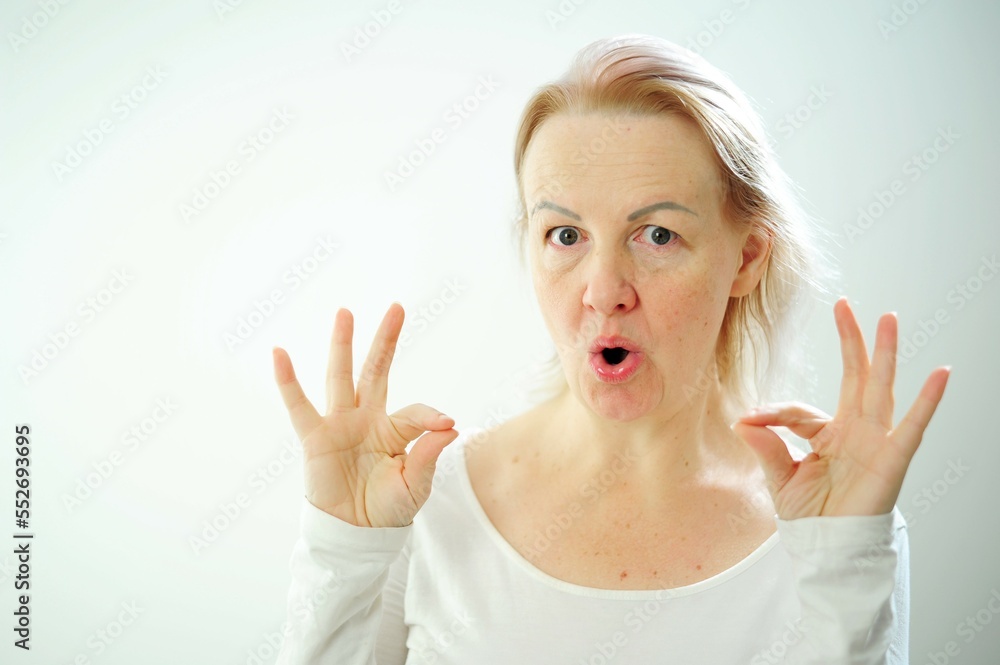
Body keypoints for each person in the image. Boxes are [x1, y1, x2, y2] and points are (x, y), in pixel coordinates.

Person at [270, 34, 951, 663]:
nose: (604, 291)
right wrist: (343, 551)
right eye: (565, 235)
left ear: (745, 257)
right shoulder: (416, 507)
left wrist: (848, 570)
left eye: (656, 235)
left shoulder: (828, 520)